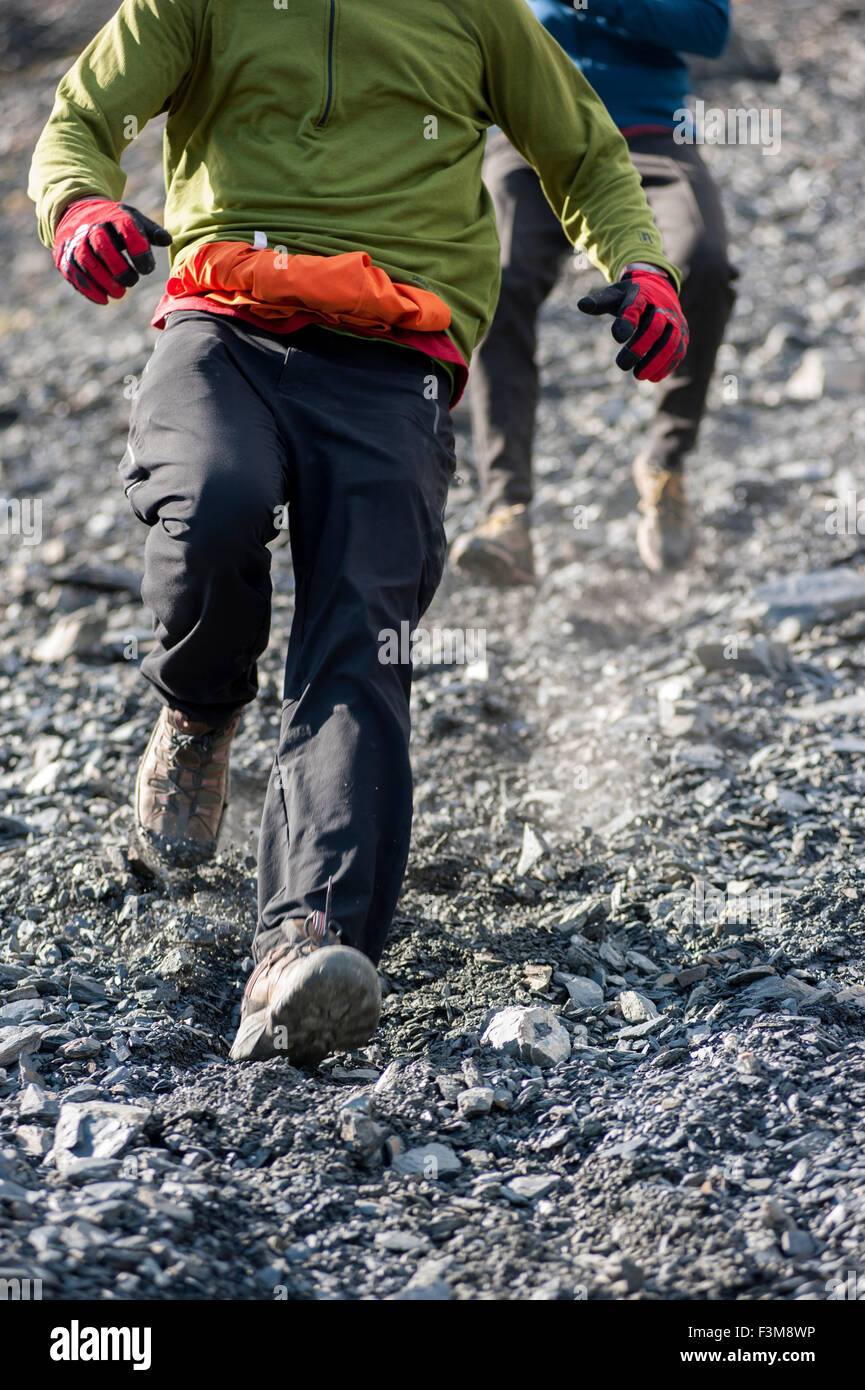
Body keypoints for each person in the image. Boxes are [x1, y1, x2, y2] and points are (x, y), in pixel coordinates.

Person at [29, 0, 687, 1068]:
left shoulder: (477, 14)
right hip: (224, 326)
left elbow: (584, 150)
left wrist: (641, 264)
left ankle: (307, 939)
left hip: (395, 361)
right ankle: (199, 714)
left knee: (363, 635)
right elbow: (81, 119)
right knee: (213, 501)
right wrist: (78, 206)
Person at [453, 0, 736, 584]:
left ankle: (665, 463)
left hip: (650, 132)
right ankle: (507, 513)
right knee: (496, 282)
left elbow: (710, 28)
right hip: (527, 137)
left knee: (704, 264)